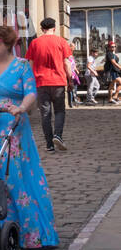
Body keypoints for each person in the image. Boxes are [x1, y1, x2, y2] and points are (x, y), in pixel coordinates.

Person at [0, 24, 58, 248]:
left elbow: (31, 93)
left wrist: (22, 108)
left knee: (16, 177)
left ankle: (30, 233)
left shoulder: (22, 66)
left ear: (8, 43)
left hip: (14, 130)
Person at [26, 17, 73, 152]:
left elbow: (30, 64)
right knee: (59, 111)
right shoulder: (61, 41)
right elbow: (66, 63)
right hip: (58, 82)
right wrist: (70, 80)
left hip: (41, 83)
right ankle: (58, 135)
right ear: (54, 27)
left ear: (42, 29)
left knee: (45, 114)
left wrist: (30, 81)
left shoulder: (35, 43)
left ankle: (49, 144)